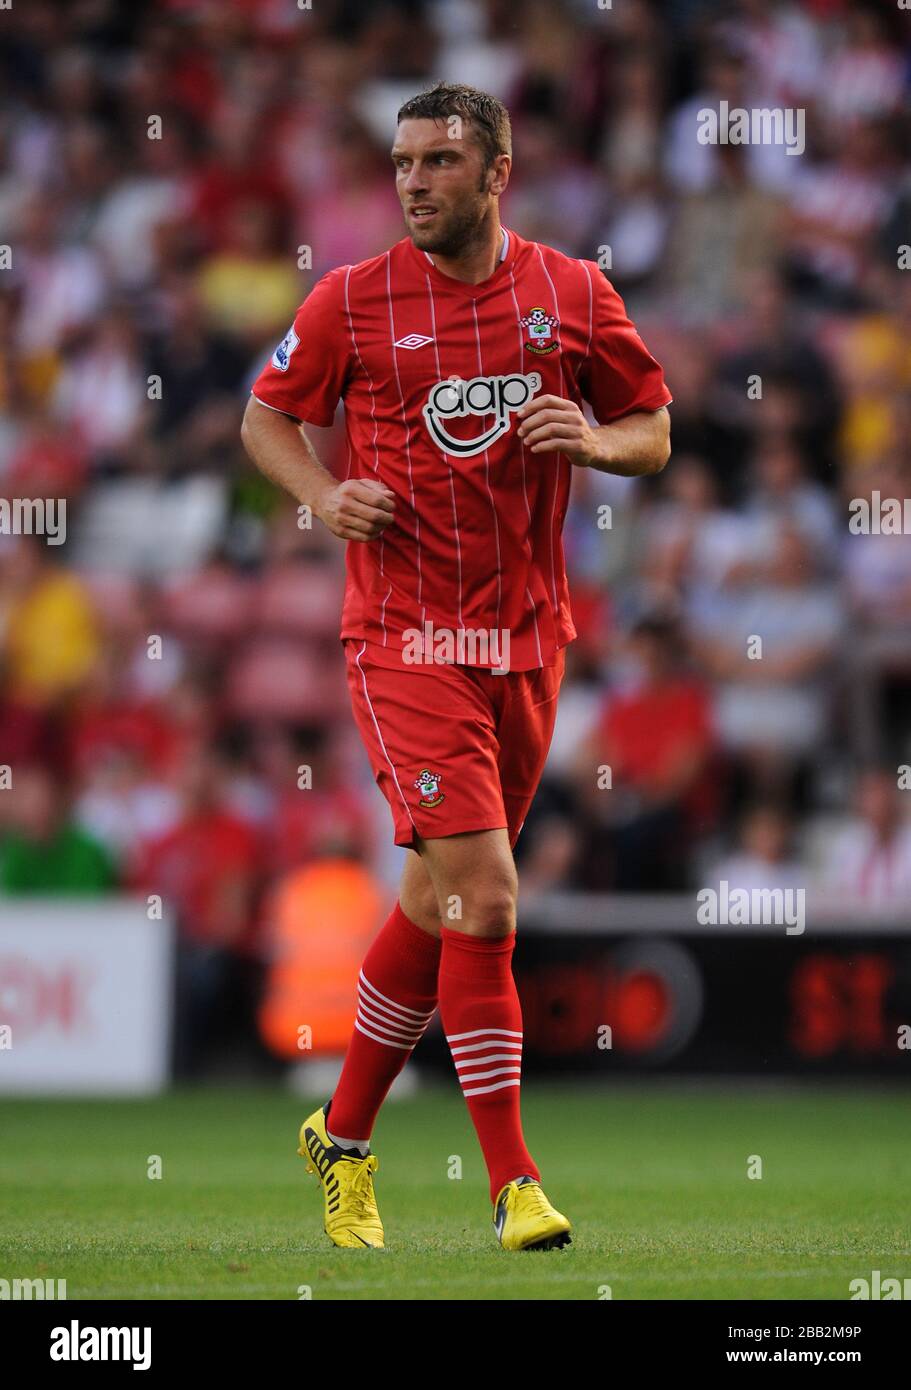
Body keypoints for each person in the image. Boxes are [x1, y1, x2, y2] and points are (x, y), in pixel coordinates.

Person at [241, 82, 671, 1252]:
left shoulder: (570, 294)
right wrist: (326, 494)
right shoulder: (352, 299)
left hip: (526, 642)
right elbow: (264, 417)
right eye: (401, 163)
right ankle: (512, 1183)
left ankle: (339, 1132)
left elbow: (652, 424)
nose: (414, 181)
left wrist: (589, 437)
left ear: (496, 171)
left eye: (438, 161)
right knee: (485, 892)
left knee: (439, 902)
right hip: (405, 640)